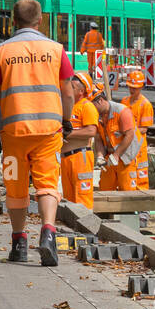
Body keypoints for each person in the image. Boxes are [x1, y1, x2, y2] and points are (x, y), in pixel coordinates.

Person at [0, 0, 75, 266]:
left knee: (15, 186)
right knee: (47, 184)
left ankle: (19, 243)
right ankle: (48, 233)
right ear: (40, 20)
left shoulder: (1, 52)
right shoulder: (56, 50)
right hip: (48, 132)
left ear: (13, 21)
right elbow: (68, 90)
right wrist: (66, 119)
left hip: (13, 134)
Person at [60, 70, 101, 209]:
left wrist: (67, 135)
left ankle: (85, 228)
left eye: (73, 87)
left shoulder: (86, 106)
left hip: (79, 157)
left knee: (82, 198)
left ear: (81, 91)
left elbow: (91, 131)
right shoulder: (68, 105)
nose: (69, 89)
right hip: (66, 158)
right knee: (68, 198)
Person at [95, 86, 141, 192]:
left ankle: (129, 209)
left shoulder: (121, 111)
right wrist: (100, 155)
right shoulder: (97, 116)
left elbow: (129, 135)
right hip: (109, 158)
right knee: (105, 190)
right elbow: (98, 139)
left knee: (127, 191)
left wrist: (116, 155)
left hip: (125, 158)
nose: (90, 109)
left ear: (100, 101)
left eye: (92, 105)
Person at [121, 67, 153, 190]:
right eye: (130, 87)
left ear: (141, 87)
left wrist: (127, 132)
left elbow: (144, 129)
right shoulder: (124, 101)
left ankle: (142, 205)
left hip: (139, 146)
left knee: (141, 175)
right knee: (129, 174)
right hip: (126, 143)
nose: (131, 90)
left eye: (134, 88)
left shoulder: (145, 104)